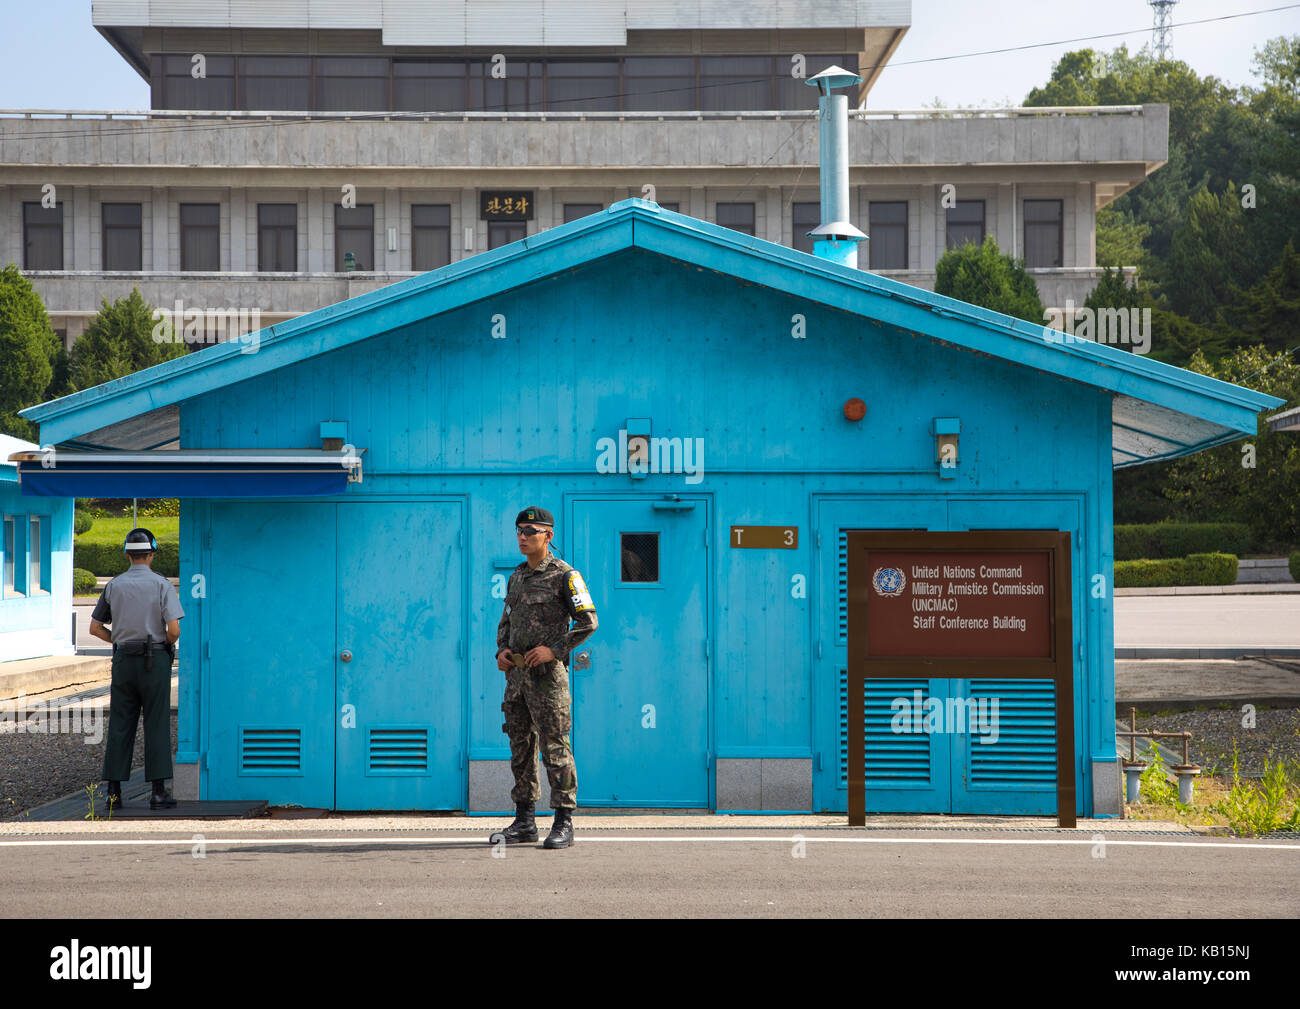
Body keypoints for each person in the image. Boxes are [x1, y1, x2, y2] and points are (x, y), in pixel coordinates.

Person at [492, 506, 597, 849]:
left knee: (555, 748)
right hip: (517, 679)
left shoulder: (566, 576)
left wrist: (554, 650)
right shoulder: (517, 576)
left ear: (548, 536)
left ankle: (563, 822)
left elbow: (588, 622)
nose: (523, 537)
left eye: (530, 531)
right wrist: (502, 651)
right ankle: (524, 821)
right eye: (519, 530)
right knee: (520, 748)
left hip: (547, 679)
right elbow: (506, 622)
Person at [89, 528, 185, 810]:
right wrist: (163, 644)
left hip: (123, 661)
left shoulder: (113, 586)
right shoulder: (161, 585)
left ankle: (113, 793)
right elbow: (174, 629)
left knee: (120, 723)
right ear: (152, 552)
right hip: (153, 659)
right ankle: (158, 792)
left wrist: (117, 639)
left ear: (126, 553)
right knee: (156, 722)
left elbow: (95, 628)